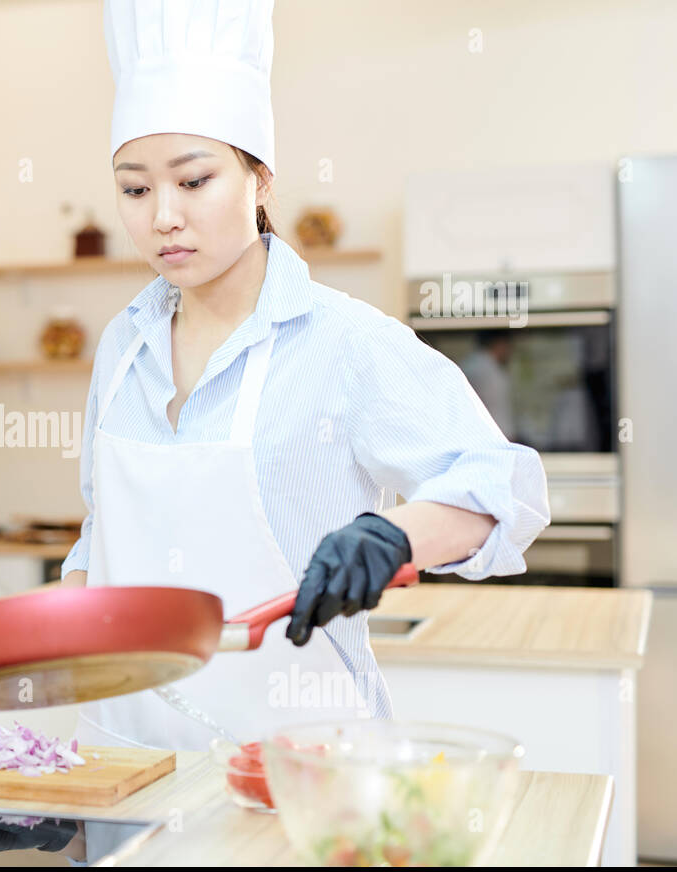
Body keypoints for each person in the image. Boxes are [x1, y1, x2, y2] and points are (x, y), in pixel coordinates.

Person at [61, 0, 550, 751]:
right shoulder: (122, 348)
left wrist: (392, 535)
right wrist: (48, 750)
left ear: (259, 179)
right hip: (127, 765)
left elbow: (500, 485)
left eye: (194, 181)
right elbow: (101, 548)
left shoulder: (344, 342)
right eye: (134, 189)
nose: (162, 216)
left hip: (300, 775)